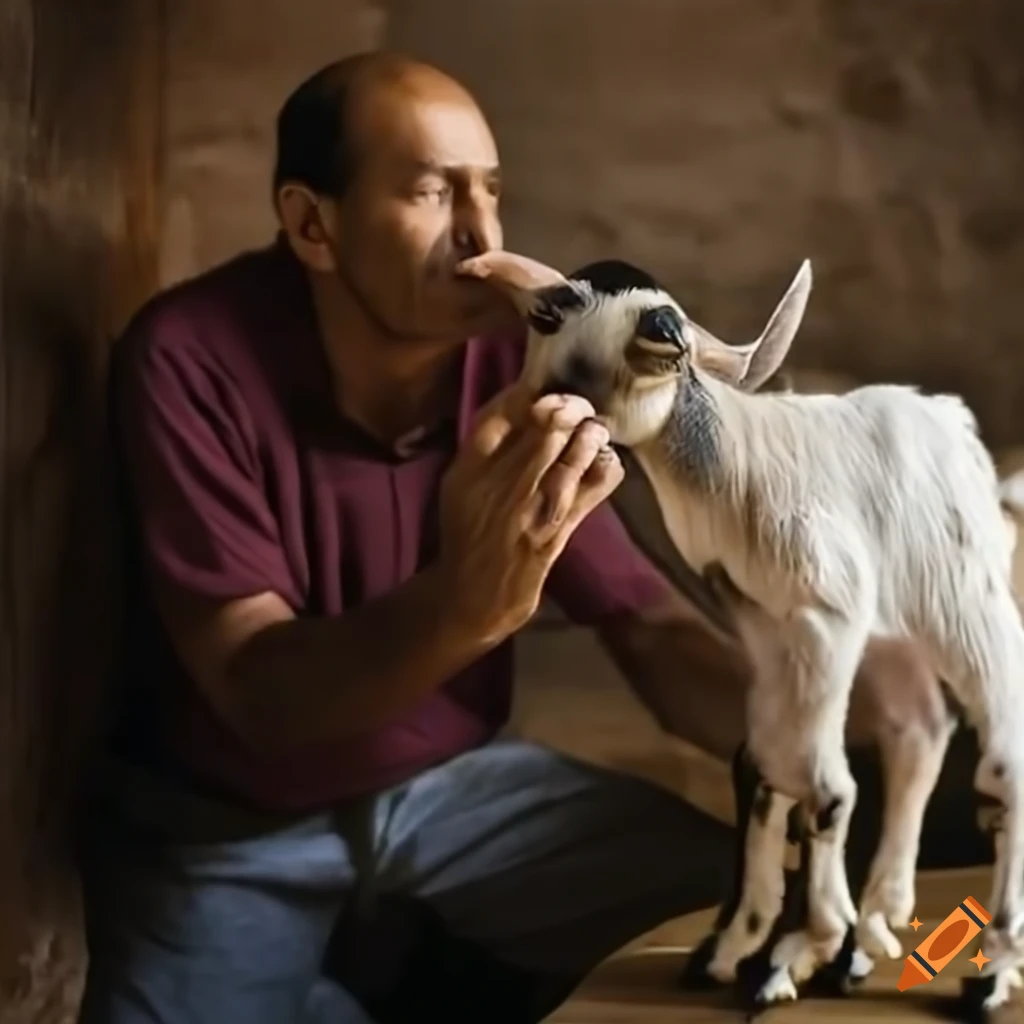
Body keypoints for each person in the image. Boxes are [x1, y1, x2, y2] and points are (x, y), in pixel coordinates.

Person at [76, 50, 947, 1024]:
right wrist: (464, 601)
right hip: (224, 826)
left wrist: (824, 702)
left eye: (490, 191)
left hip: (453, 787)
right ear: (311, 222)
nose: (479, 234)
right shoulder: (185, 359)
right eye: (429, 192)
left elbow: (650, 633)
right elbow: (259, 695)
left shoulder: (514, 356)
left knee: (756, 933)